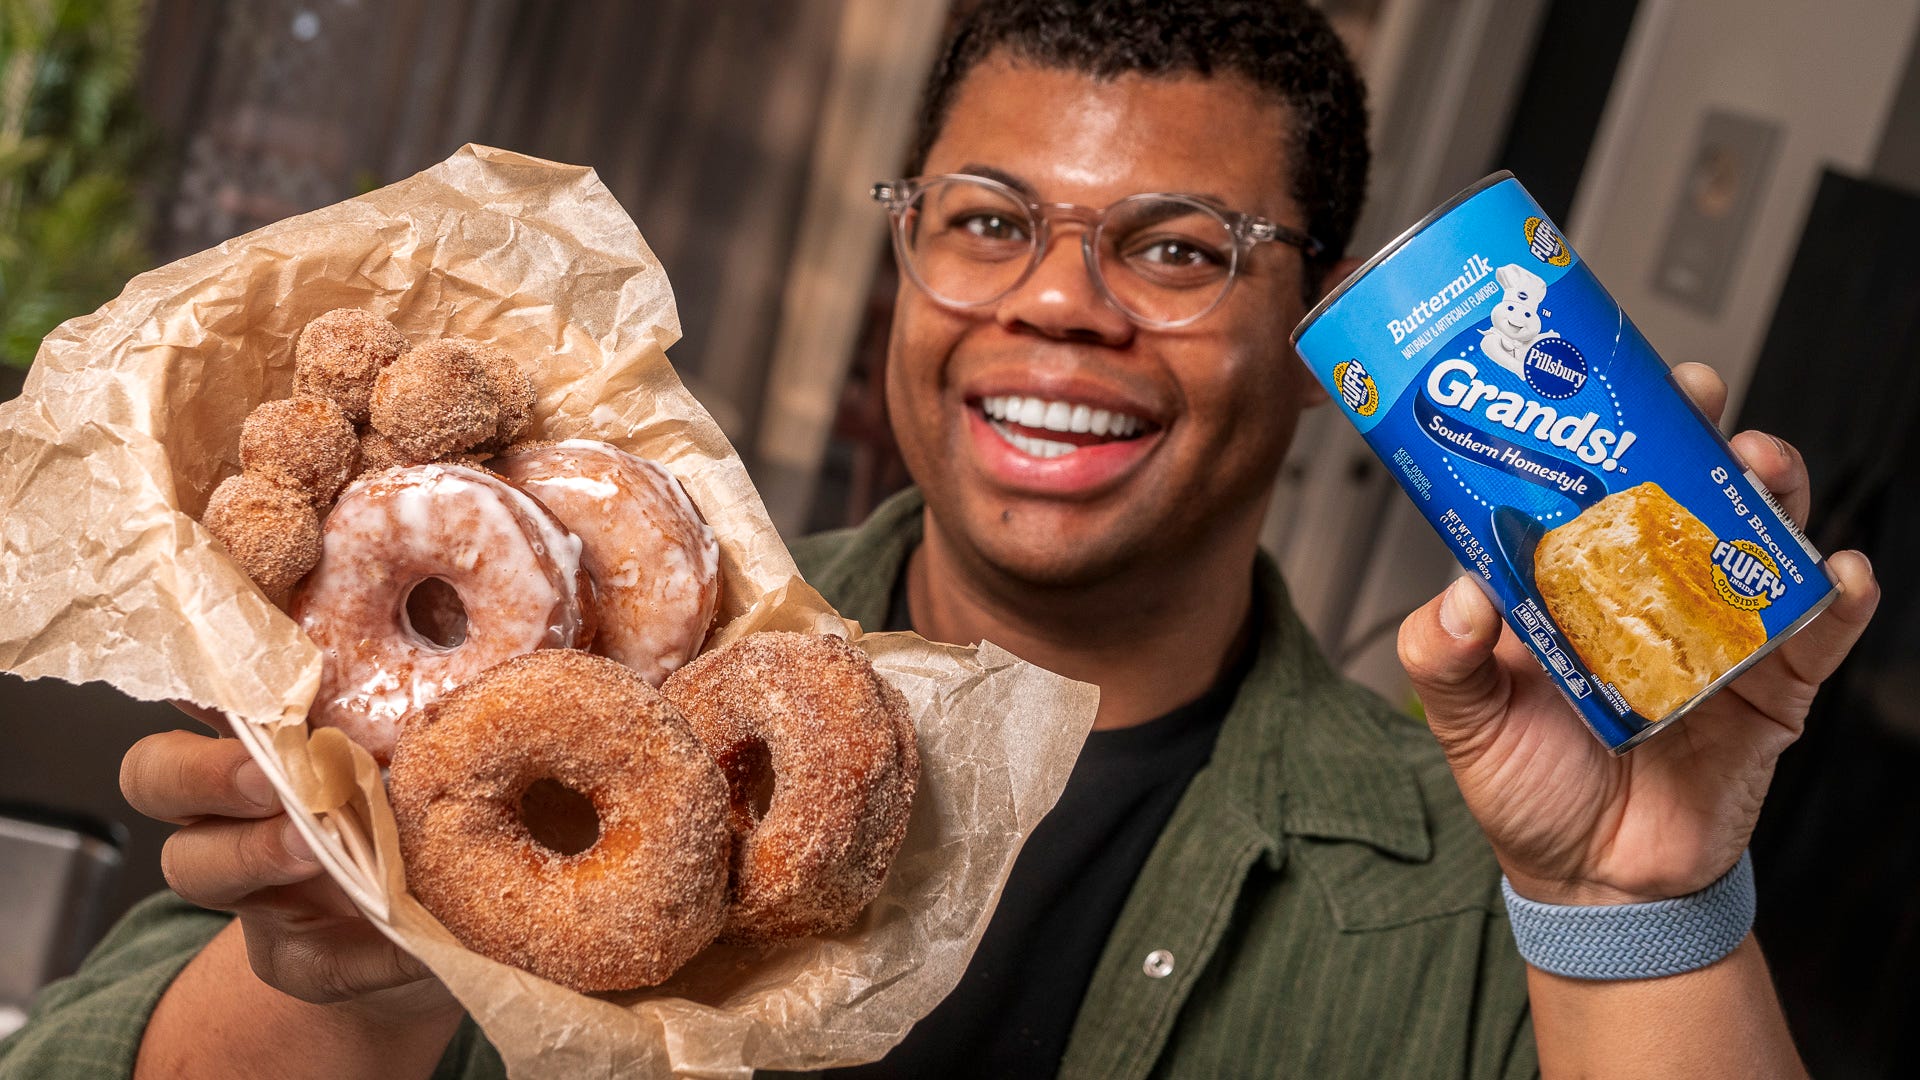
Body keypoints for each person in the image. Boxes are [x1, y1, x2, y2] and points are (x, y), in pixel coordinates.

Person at [0, 2, 1879, 1078]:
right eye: (989, 219)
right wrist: (364, 977)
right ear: (911, 261)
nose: (1060, 304)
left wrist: (1640, 910)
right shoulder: (540, 681)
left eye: (1176, 248)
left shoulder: (1482, 876)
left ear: (1322, 351)